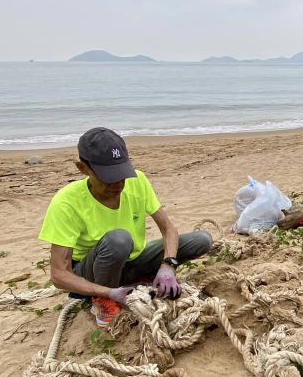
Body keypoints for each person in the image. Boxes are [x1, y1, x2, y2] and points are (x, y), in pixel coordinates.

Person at [38, 127, 213, 327]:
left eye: (122, 173)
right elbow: (59, 274)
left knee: (202, 240)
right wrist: (107, 292)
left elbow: (168, 229)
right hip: (92, 273)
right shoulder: (66, 202)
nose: (118, 183)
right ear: (82, 168)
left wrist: (168, 265)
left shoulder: (137, 181)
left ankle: (137, 280)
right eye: (109, 176)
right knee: (119, 240)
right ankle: (104, 300)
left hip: (131, 260)